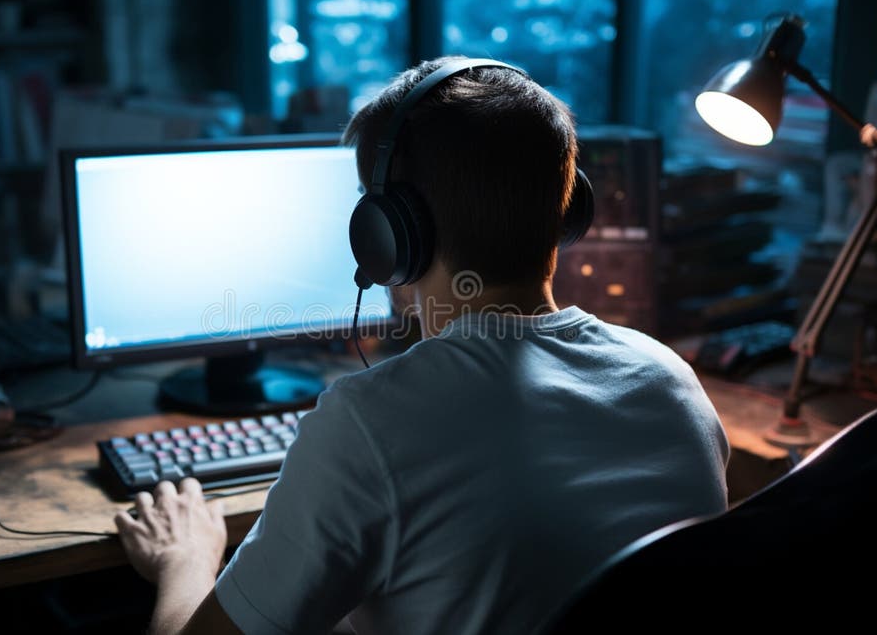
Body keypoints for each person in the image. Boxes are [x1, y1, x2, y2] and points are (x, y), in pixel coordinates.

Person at [114, 56, 730, 634]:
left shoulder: (372, 425)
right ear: (567, 211)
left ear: (388, 237)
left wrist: (186, 559)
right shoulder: (672, 381)